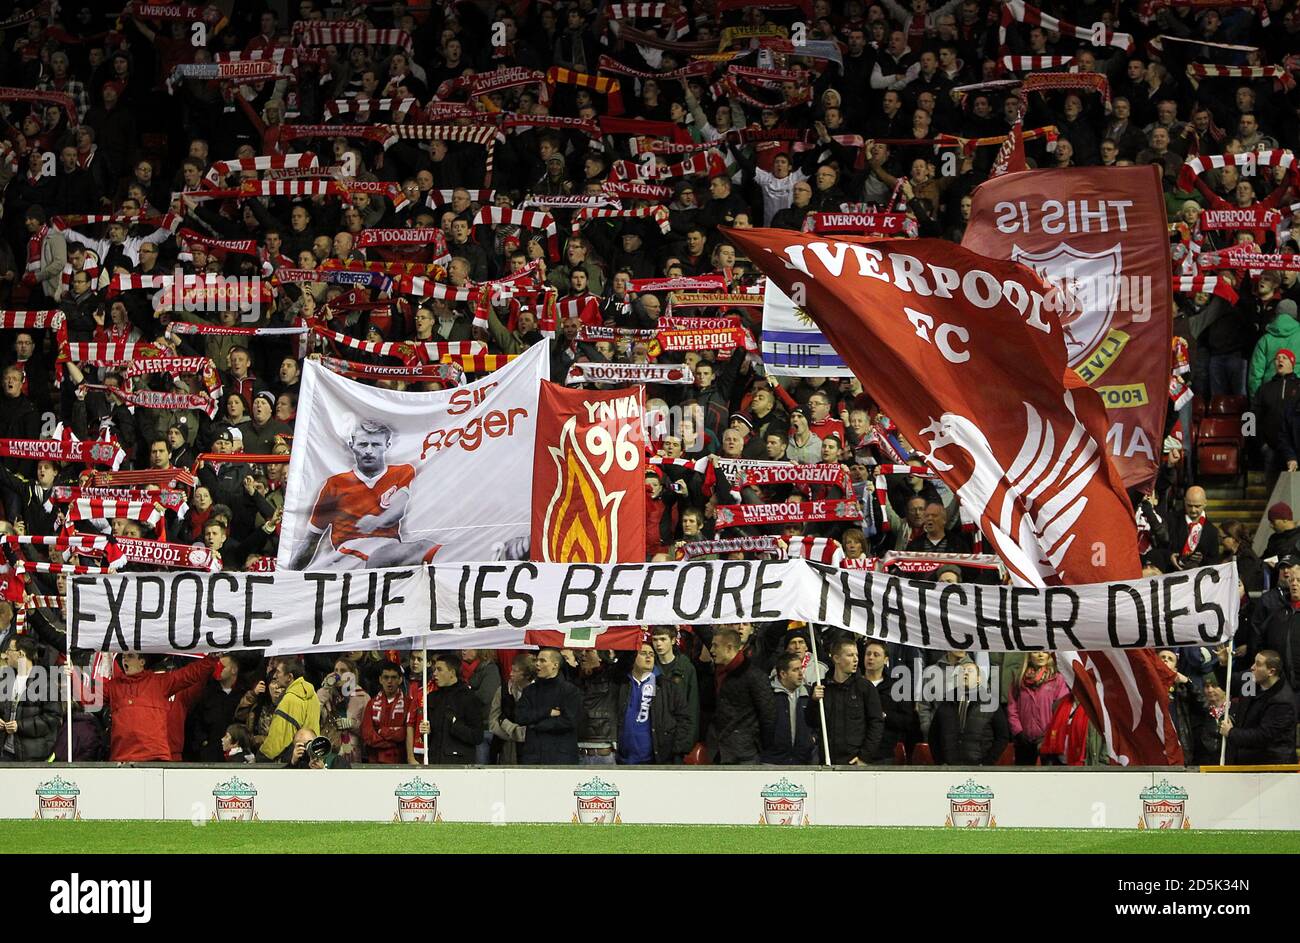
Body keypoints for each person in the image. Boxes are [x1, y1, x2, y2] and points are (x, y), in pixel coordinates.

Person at [290, 419, 441, 568]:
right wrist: (290, 577)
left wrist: (378, 521)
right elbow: (311, 540)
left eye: (375, 444)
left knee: (424, 547)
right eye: (363, 444)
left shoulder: (402, 471)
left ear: (387, 446)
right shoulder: (334, 484)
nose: (369, 450)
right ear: (352, 446)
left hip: (390, 550)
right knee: (415, 550)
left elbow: (399, 505)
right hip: (349, 556)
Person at [99, 653, 219, 762]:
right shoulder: (113, 687)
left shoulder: (159, 682)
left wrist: (212, 658)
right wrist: (85, 665)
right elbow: (89, 697)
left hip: (155, 758)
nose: (125, 659)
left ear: (142, 662)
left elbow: (190, 674)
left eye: (130, 656)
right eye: (123, 657)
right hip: (122, 758)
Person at [702, 627, 776, 764]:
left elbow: (768, 714)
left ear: (729, 648)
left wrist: (759, 745)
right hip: (717, 751)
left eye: (715, 646)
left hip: (745, 754)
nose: (711, 650)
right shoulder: (719, 671)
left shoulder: (754, 675)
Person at [810, 637, 884, 765]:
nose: (856, 659)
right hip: (827, 760)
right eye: (850, 655)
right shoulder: (821, 687)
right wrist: (813, 701)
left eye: (857, 655)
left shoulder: (865, 687)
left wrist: (864, 756)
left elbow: (876, 723)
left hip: (855, 761)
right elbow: (812, 722)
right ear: (836, 658)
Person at [615, 642, 692, 764]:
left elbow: (685, 720)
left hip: (657, 761)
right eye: (643, 653)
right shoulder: (620, 685)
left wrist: (675, 751)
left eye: (651, 654)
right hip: (622, 761)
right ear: (632, 657)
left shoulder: (668, 687)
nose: (649, 657)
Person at [1220, 651, 1297, 765]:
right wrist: (1224, 664)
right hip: (1246, 759)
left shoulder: (1282, 702)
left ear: (1271, 671)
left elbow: (1263, 736)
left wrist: (1231, 733)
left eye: (1258, 664)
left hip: (1272, 765)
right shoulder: (1251, 681)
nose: (1252, 667)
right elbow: (1229, 684)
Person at [514, 648, 583, 764]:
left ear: (555, 665)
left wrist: (536, 725)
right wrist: (547, 712)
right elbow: (520, 717)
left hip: (561, 758)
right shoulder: (529, 691)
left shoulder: (570, 691)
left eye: (542, 661)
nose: (537, 664)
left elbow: (569, 721)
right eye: (537, 660)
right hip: (533, 757)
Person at [412, 653, 483, 764]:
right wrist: (427, 732)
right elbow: (430, 738)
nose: (434, 674)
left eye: (439, 670)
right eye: (434, 669)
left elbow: (477, 736)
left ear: (452, 673)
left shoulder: (469, 698)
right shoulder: (431, 697)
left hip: (458, 765)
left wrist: (455, 725)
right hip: (435, 761)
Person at [0, 635, 61, 762]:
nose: (6, 654)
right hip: (5, 753)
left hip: (33, 757)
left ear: (21, 654)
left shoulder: (45, 683)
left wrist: (20, 726)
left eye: (9, 650)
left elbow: (53, 718)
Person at [1005, 652, 1068, 765]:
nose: (1040, 655)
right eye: (1035, 652)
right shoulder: (1018, 678)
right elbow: (1012, 707)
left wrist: (1049, 734)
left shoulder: (1057, 679)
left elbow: (1061, 709)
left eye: (1044, 652)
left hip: (1048, 739)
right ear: (1029, 655)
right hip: (1024, 740)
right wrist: (1018, 732)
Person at [260, 658, 320, 762]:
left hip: (295, 760)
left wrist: (262, 757)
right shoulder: (312, 694)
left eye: (278, 672)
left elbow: (278, 739)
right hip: (312, 756)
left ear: (289, 677)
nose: (275, 676)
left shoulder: (289, 699)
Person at [762, 651, 817, 765]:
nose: (801, 673)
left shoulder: (809, 693)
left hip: (803, 760)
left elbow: (817, 722)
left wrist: (812, 739)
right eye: (795, 670)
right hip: (773, 760)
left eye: (801, 668)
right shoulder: (768, 694)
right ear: (783, 674)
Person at [650, 625, 698, 745]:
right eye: (655, 640)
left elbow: (693, 705)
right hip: (654, 736)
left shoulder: (686, 668)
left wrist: (686, 742)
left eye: (663, 639)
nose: (658, 644)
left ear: (673, 640)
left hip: (678, 734)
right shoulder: (649, 668)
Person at [361, 661, 409, 764]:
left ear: (400, 680)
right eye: (386, 677)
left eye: (393, 677)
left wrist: (382, 731)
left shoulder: (408, 703)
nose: (389, 681)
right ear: (380, 679)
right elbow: (367, 735)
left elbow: (405, 733)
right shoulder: (372, 703)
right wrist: (391, 742)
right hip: (375, 761)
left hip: (400, 762)